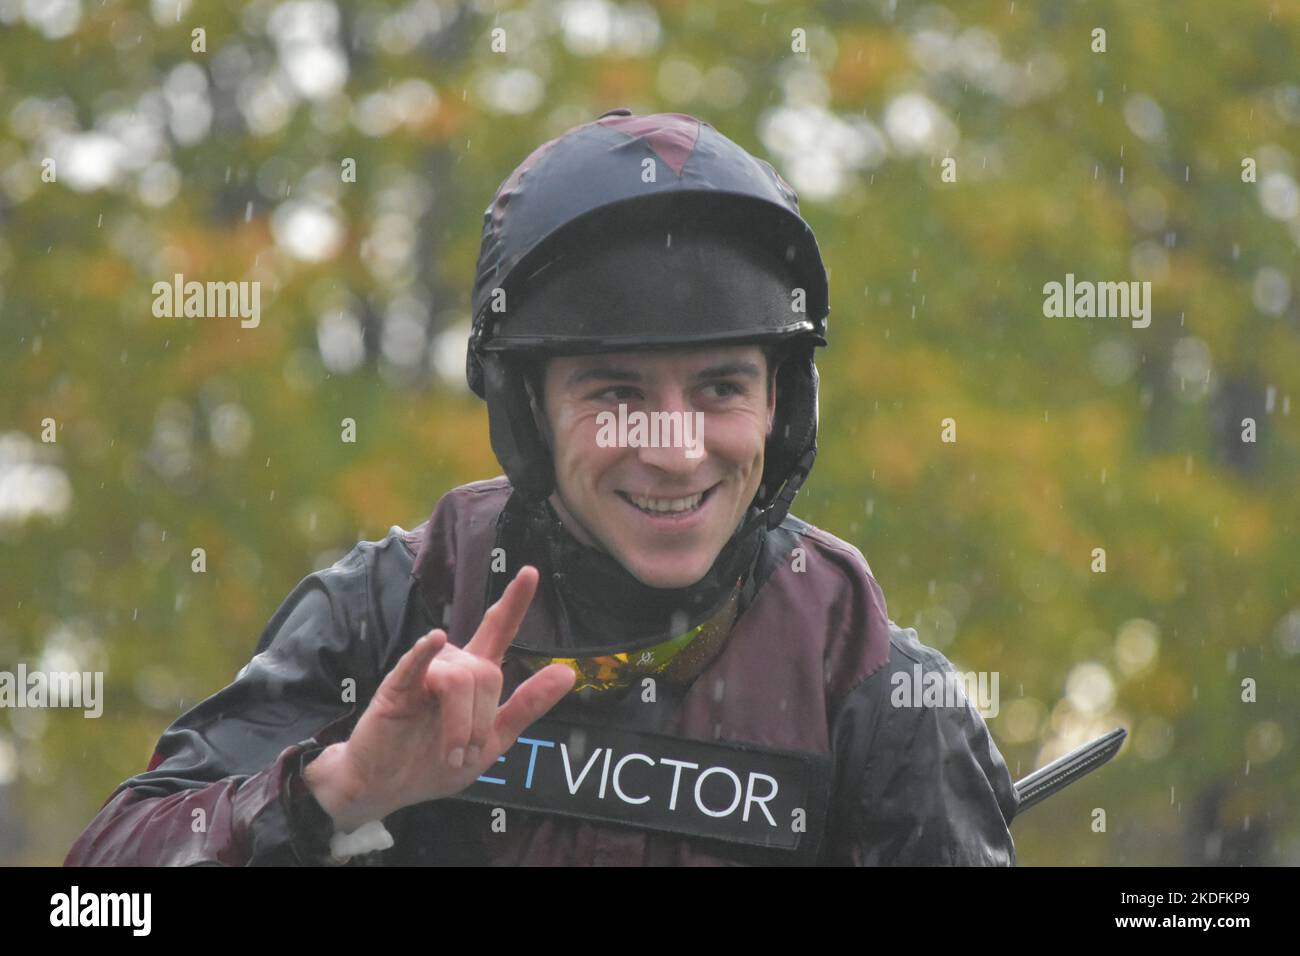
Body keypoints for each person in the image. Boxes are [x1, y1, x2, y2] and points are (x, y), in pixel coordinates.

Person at [66, 109, 1018, 866]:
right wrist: (335, 793)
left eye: (721, 388)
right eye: (615, 393)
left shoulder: (875, 685)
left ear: (781, 405)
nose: (677, 450)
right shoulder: (392, 608)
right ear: (530, 411)